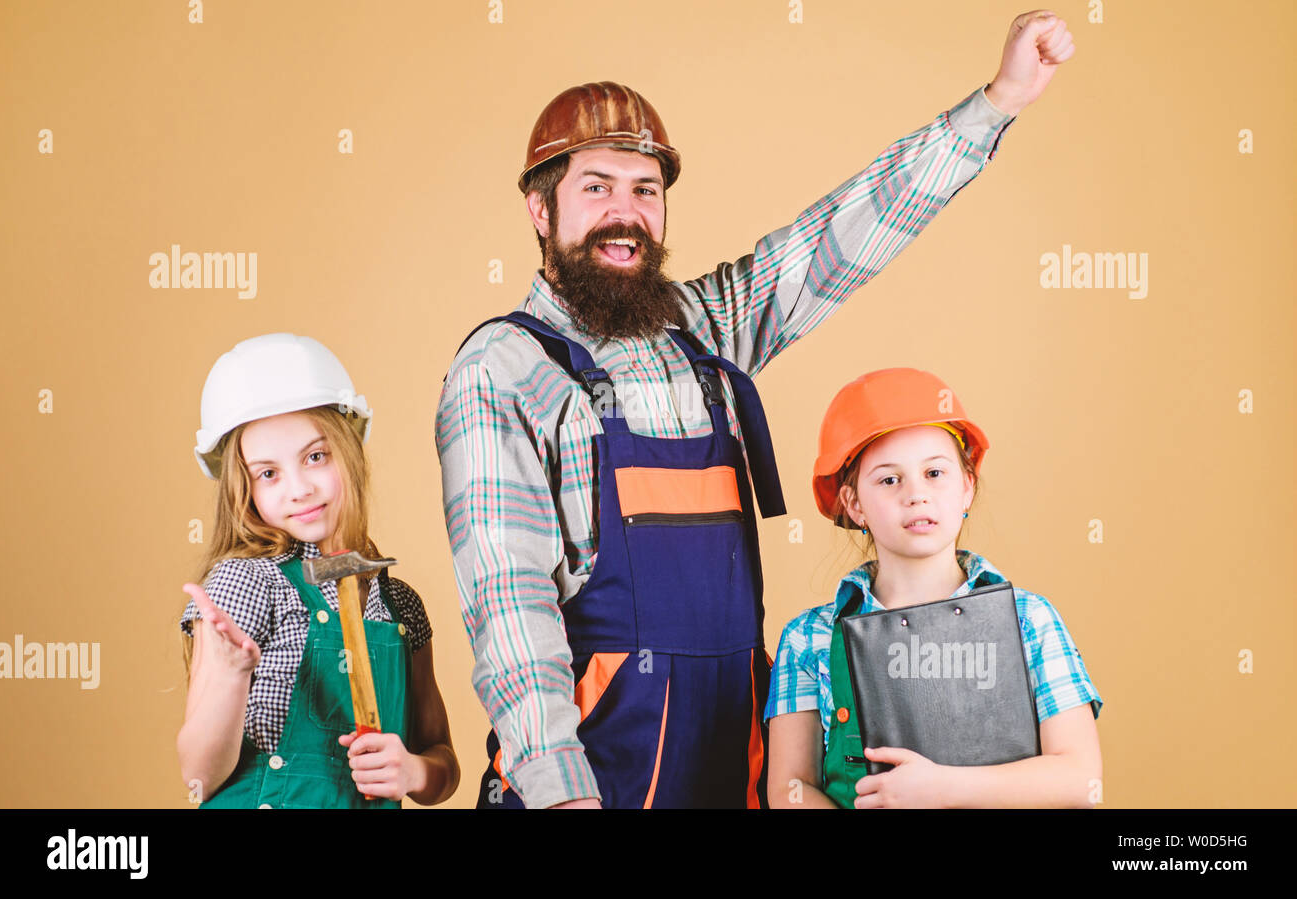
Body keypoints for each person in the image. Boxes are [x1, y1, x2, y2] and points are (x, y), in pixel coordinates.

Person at [436, 11, 1076, 809]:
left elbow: (841, 234)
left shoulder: (708, 332)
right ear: (541, 209)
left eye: (645, 190)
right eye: (595, 188)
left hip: (732, 765)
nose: (624, 212)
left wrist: (1000, 100)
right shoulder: (503, 367)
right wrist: (562, 792)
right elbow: (507, 603)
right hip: (591, 780)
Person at [765, 367, 1102, 808]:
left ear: (967, 487)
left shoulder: (1029, 621)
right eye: (889, 479)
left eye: (935, 473)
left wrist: (940, 787)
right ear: (854, 504)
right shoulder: (808, 638)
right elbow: (789, 788)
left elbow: (1081, 780)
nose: (915, 495)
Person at [177, 333, 459, 808]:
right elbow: (198, 777)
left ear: (349, 450)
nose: (299, 488)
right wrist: (228, 677)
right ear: (243, 489)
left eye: (315, 456)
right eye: (268, 473)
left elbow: (444, 765)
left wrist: (411, 770)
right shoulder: (245, 582)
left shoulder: (399, 604)